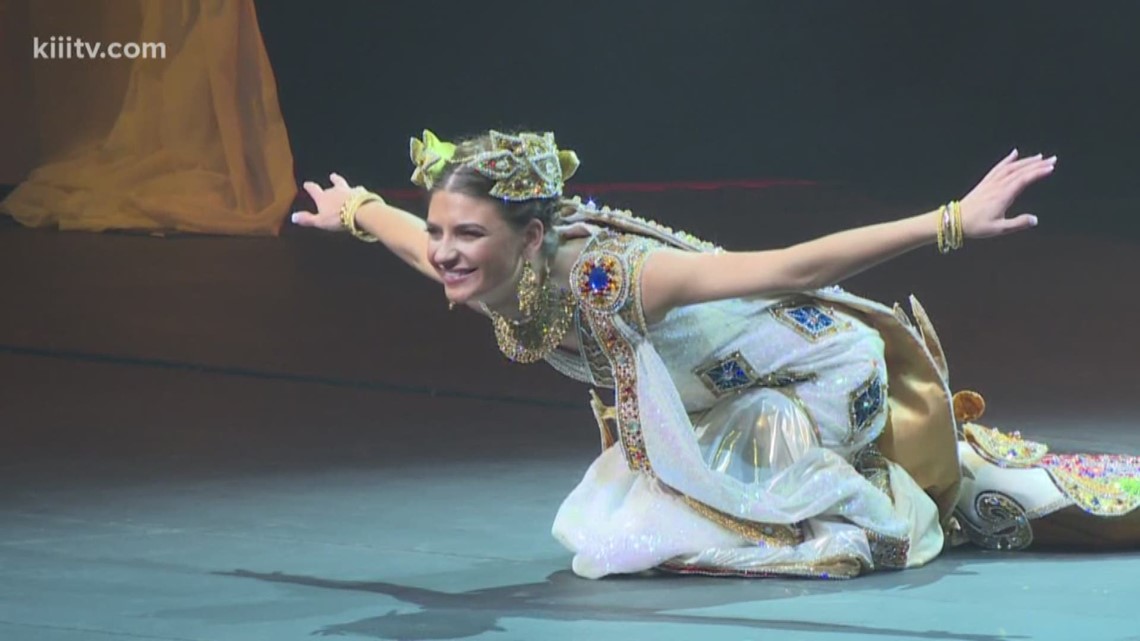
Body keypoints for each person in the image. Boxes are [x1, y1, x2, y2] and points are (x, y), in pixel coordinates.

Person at [291, 129, 1140, 579]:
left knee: (709, 523)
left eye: (466, 234)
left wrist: (949, 219)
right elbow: (415, 240)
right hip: (718, 401)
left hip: (816, 381)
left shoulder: (609, 277)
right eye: (441, 230)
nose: (444, 250)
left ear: (533, 236)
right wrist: (361, 209)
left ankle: (901, 487)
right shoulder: (495, 271)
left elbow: (790, 266)